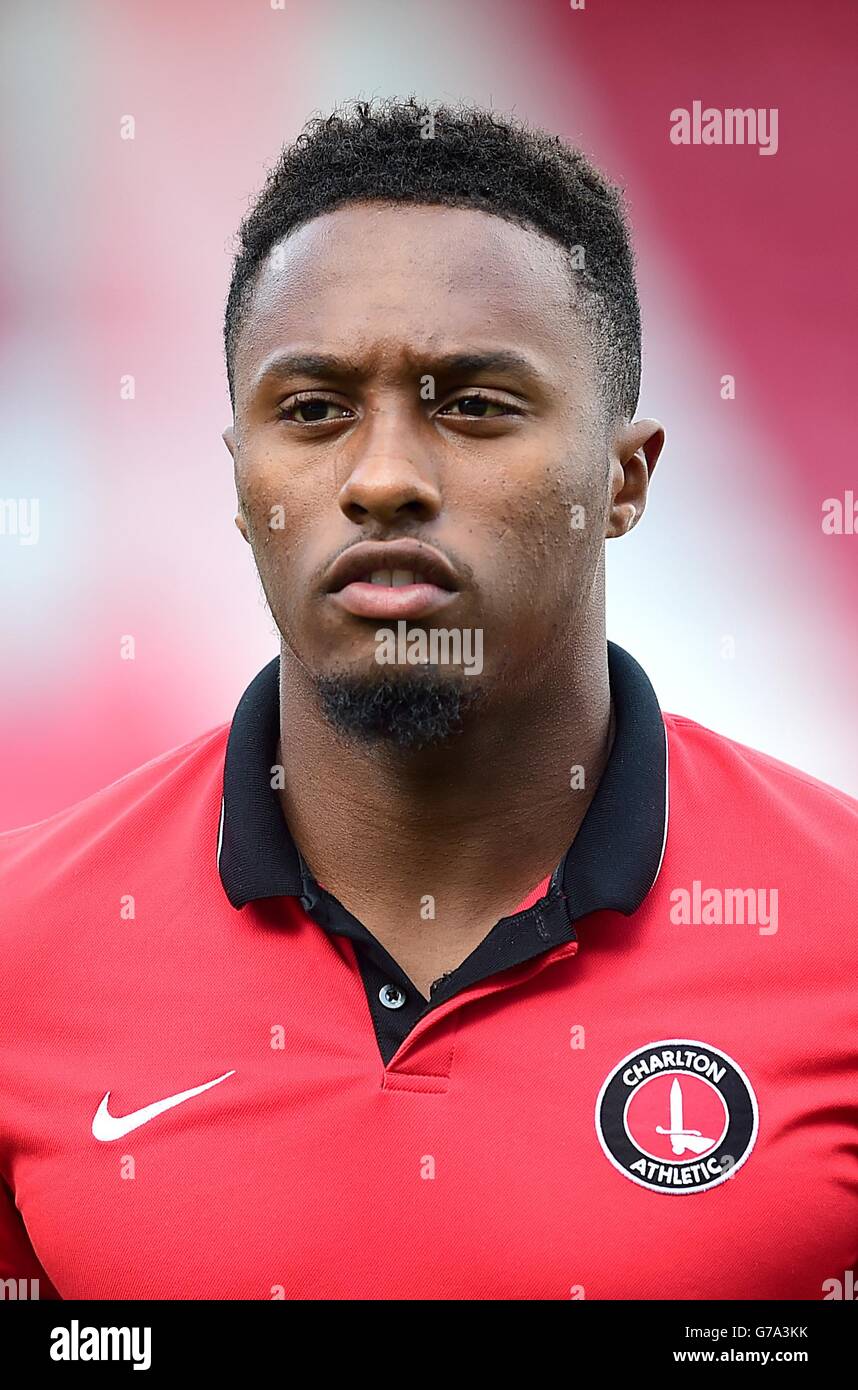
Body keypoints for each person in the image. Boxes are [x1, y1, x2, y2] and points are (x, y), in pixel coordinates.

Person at [1, 99, 856, 1301]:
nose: (385, 477)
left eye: (473, 403)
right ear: (241, 482)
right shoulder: (19, 951)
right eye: (312, 410)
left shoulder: (838, 935)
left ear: (624, 477)